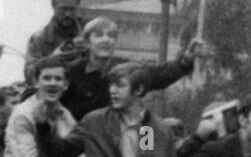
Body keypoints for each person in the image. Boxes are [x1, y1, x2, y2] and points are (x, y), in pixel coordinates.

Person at [55, 16, 203, 122]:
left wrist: (184, 61)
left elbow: (157, 74)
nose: (106, 40)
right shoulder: (70, 72)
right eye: (99, 35)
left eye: (111, 36)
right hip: (85, 148)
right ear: (87, 42)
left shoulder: (146, 124)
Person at [24, 0, 88, 82]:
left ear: (78, 7)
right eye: (63, 9)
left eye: (72, 9)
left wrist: (88, 52)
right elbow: (29, 75)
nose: (68, 14)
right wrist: (51, 60)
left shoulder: (88, 35)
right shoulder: (39, 38)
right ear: (54, 7)